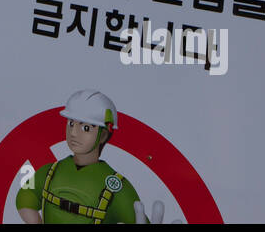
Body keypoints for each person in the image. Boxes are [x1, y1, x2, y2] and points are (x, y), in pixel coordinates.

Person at [16, 89, 167, 224]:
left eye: (86, 128)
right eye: (71, 124)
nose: (74, 133)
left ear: (103, 135)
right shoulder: (50, 171)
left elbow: (137, 218)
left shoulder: (116, 187)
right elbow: (25, 195)